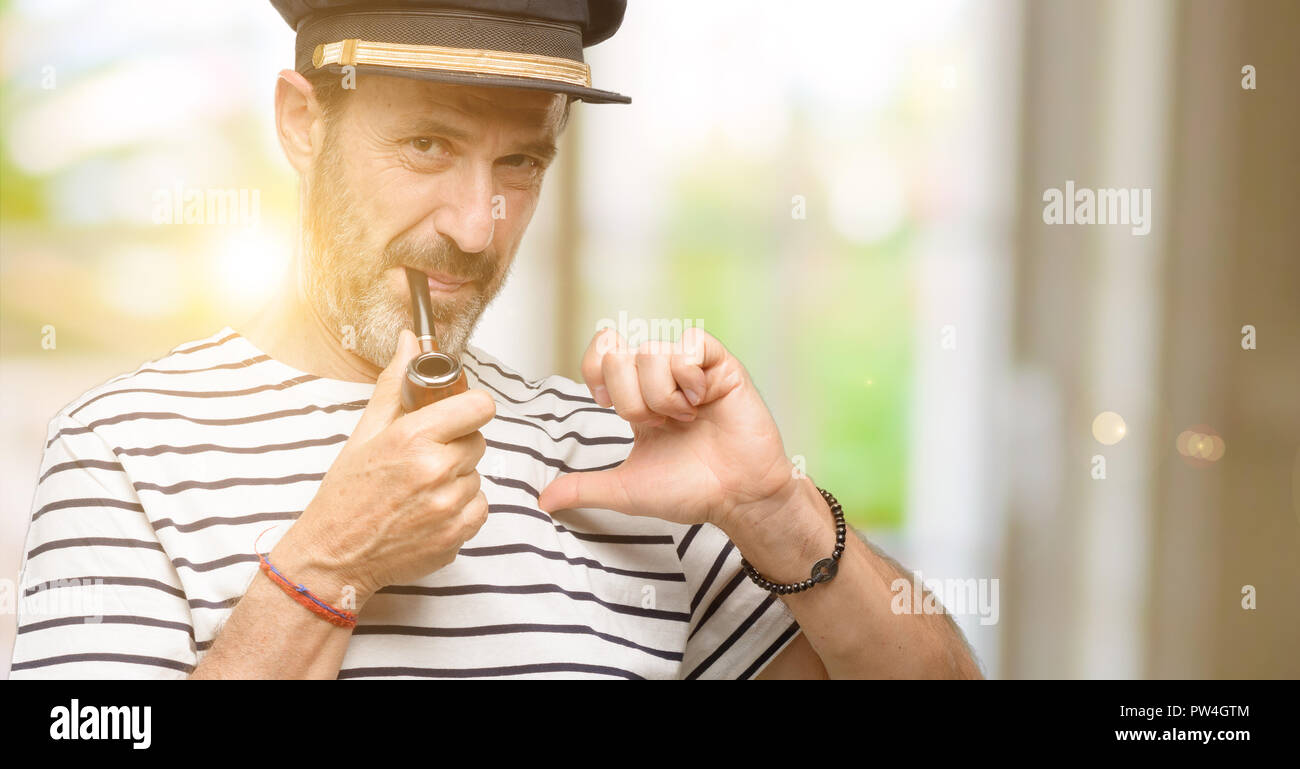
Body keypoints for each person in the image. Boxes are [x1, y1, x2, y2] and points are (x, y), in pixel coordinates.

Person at [10, 0, 980, 679]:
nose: (478, 227)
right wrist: (327, 566)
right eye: (428, 145)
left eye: (520, 160)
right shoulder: (123, 452)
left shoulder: (620, 462)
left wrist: (775, 507)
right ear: (303, 123)